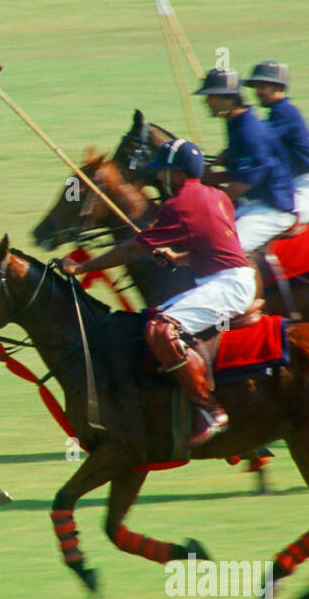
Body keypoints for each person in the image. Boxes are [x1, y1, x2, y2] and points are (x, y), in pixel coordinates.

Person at [60, 138, 255, 447]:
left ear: (177, 173)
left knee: (160, 330)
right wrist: (178, 258)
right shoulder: (218, 195)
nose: (159, 178)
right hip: (229, 279)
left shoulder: (178, 205)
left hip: (227, 286)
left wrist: (81, 268)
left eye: (163, 172)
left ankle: (209, 409)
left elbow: (132, 247)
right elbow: (215, 249)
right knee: (155, 316)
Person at [194, 68, 296, 252]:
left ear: (228, 99)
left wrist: (206, 206)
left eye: (211, 96)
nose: (206, 101)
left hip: (271, 210)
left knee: (223, 249)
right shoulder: (236, 124)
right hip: (252, 205)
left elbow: (241, 184)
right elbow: (239, 171)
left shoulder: (249, 131)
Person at [245, 61, 309, 223]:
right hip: (299, 184)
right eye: (256, 87)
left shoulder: (284, 112)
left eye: (262, 86)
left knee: (277, 220)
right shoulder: (276, 113)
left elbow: (256, 141)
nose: (257, 91)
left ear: (278, 87)